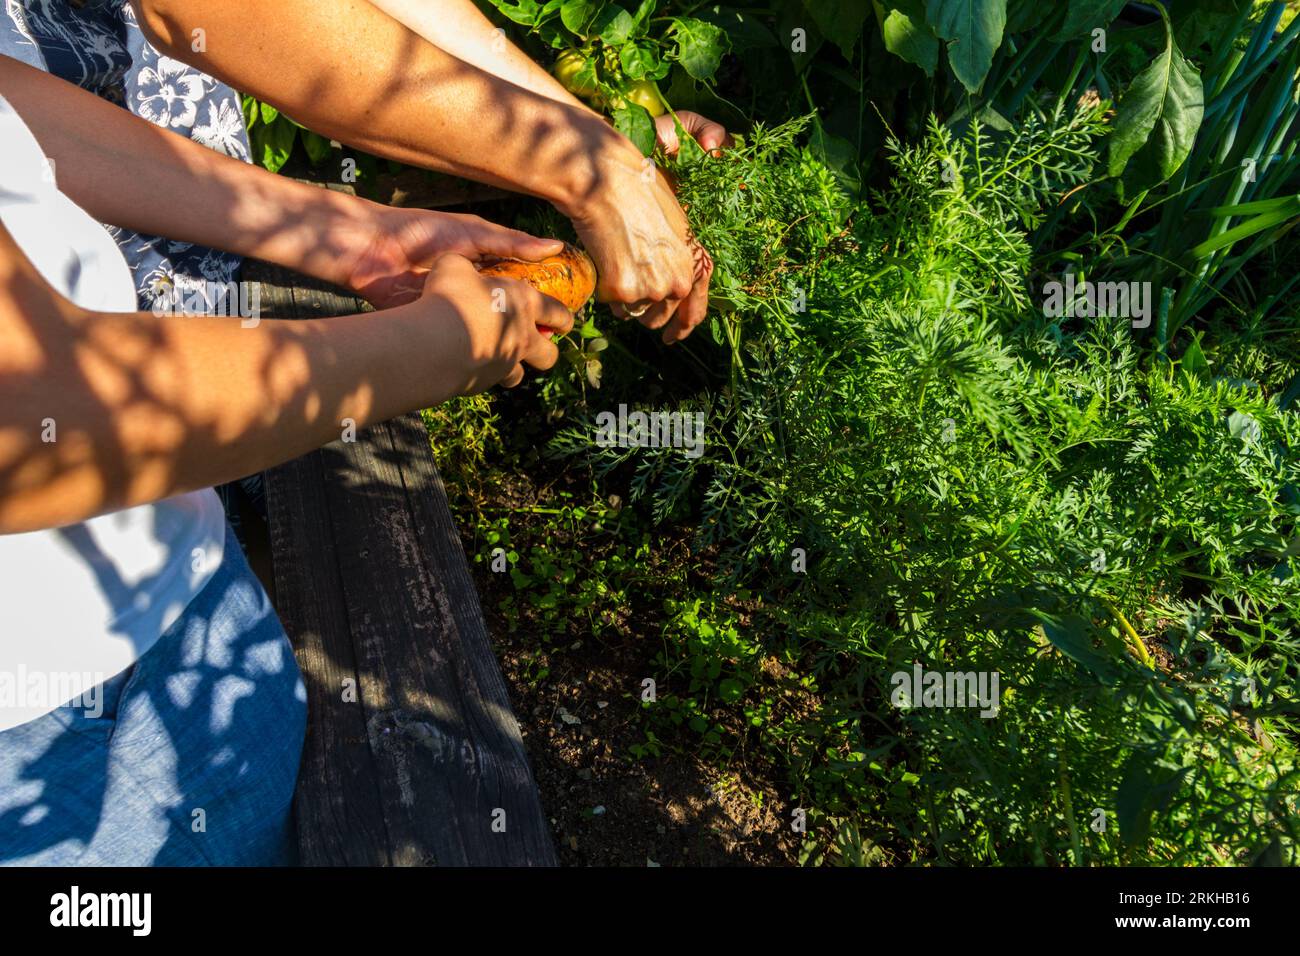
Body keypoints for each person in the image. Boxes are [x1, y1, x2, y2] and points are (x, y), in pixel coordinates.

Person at [0, 0, 727, 866]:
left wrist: (357, 235)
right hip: (58, 710)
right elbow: (33, 425)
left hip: (164, 554)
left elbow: (16, 120)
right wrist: (430, 349)